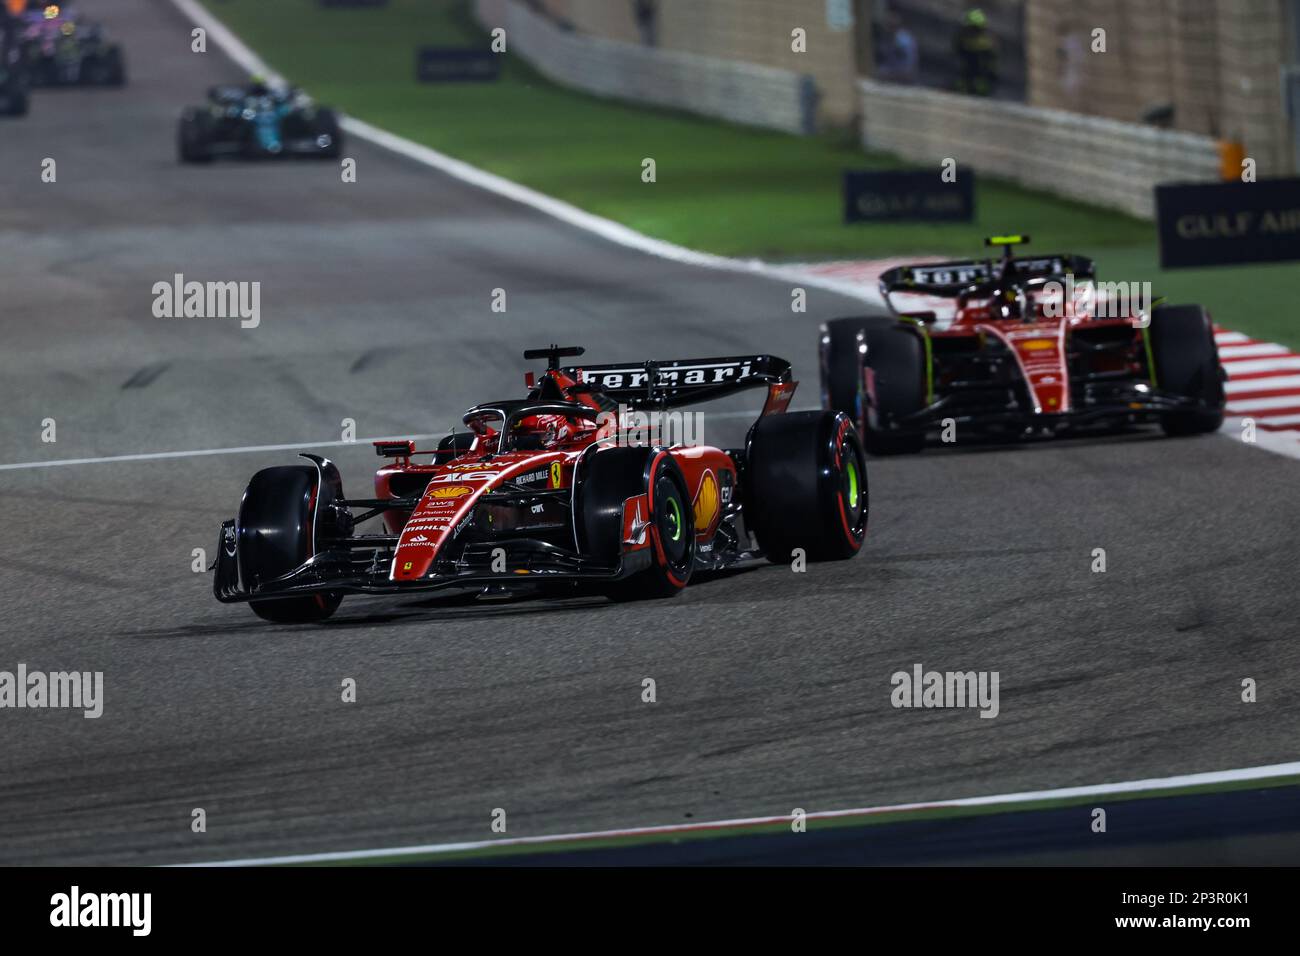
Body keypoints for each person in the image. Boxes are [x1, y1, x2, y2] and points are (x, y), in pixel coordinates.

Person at [954, 7, 997, 96]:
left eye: (974, 29)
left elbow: (992, 67)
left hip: (981, 81)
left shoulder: (987, 44)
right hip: (965, 79)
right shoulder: (962, 40)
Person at [877, 10, 918, 84]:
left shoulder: (904, 40)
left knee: (881, 73)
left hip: (903, 72)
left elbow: (908, 62)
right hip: (893, 69)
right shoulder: (889, 37)